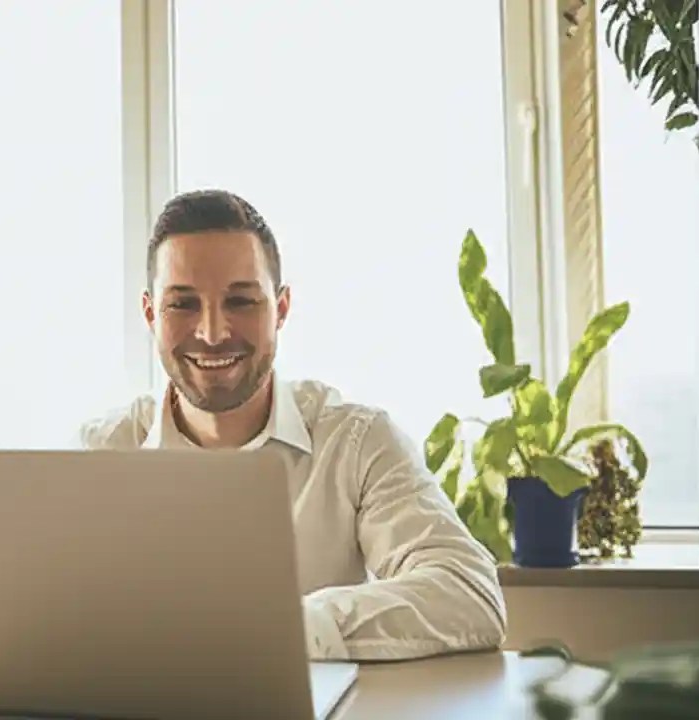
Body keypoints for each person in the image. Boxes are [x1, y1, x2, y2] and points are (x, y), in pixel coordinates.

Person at [80, 189, 507, 661]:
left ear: (280, 310)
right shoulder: (103, 450)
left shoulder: (357, 442)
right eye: (182, 305)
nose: (214, 333)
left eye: (241, 301)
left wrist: (284, 629)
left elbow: (468, 592)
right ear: (149, 314)